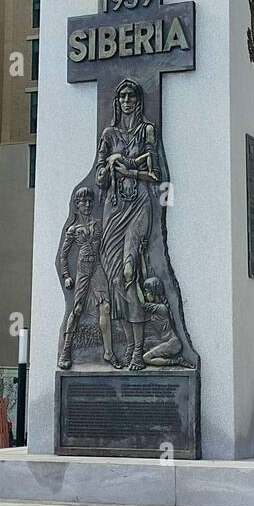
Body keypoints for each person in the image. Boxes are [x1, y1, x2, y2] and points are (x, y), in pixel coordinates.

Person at [96, 80, 160, 371]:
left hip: (138, 206)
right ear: (116, 102)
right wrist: (109, 165)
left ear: (138, 100)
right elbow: (99, 179)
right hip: (113, 208)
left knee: (129, 271)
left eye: (131, 96)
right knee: (116, 280)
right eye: (121, 96)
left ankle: (137, 351)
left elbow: (154, 174)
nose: (126, 101)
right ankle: (129, 346)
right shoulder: (108, 134)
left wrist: (130, 169)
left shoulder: (146, 130)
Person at [57, 187, 119, 370]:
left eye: (90, 201)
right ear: (77, 205)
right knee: (77, 309)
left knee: (106, 307)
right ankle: (66, 350)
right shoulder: (73, 229)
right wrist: (67, 275)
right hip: (83, 267)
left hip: (97, 267)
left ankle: (108, 353)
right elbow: (63, 256)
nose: (88, 205)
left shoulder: (98, 223)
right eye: (83, 202)